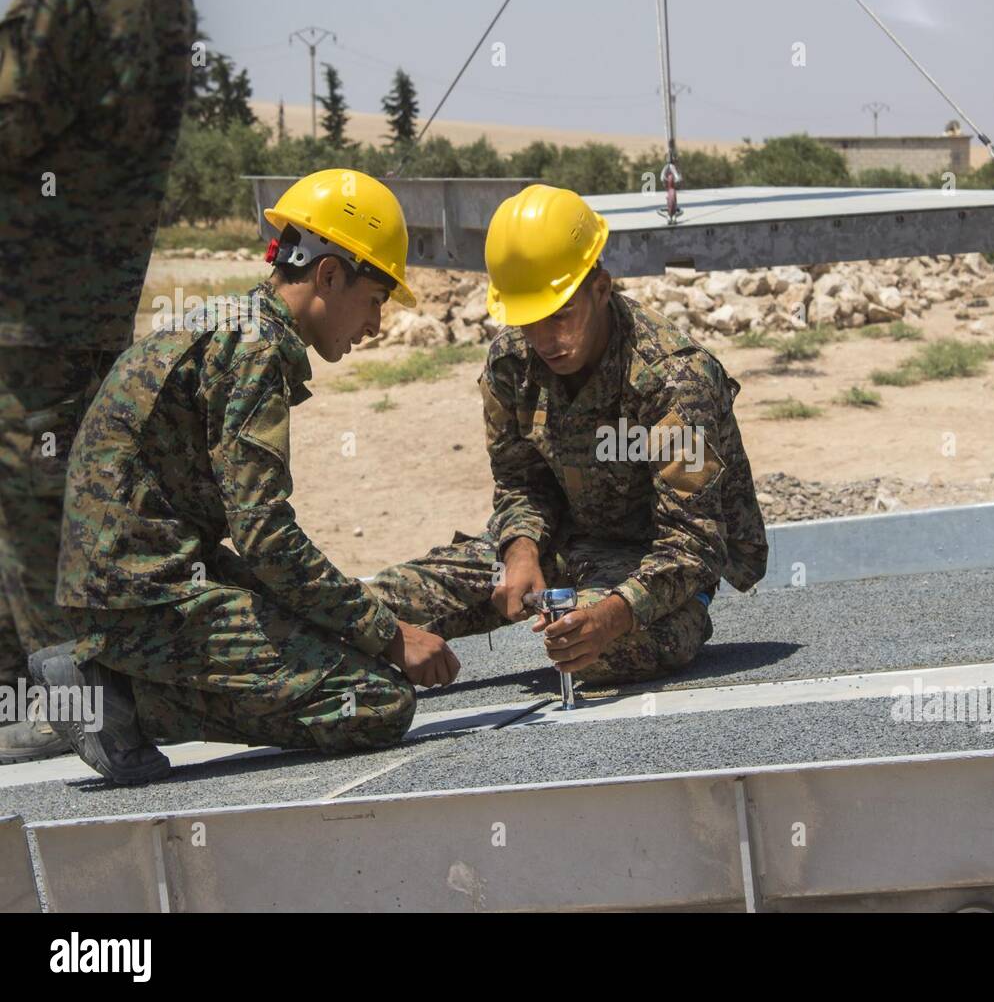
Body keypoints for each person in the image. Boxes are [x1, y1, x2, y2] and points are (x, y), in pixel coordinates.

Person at [32, 169, 459, 785]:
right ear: (329, 275)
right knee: (374, 703)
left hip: (136, 573)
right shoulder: (253, 349)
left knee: (339, 639)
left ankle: (113, 680)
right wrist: (389, 636)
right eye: (375, 300)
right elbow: (266, 538)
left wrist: (358, 627)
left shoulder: (233, 325)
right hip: (139, 593)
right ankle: (115, 693)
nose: (375, 325)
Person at [371, 184, 768, 687]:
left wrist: (612, 617)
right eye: (528, 321)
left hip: (652, 567)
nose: (545, 340)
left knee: (589, 647)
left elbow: (693, 544)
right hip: (563, 544)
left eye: (560, 315)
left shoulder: (672, 379)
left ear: (600, 289)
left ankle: (622, 617)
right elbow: (520, 484)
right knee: (380, 604)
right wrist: (519, 552)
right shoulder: (511, 362)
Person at [0, 0, 196, 762]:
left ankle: (69, 701)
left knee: (32, 499)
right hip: (80, 291)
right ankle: (29, 688)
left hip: (37, 300)